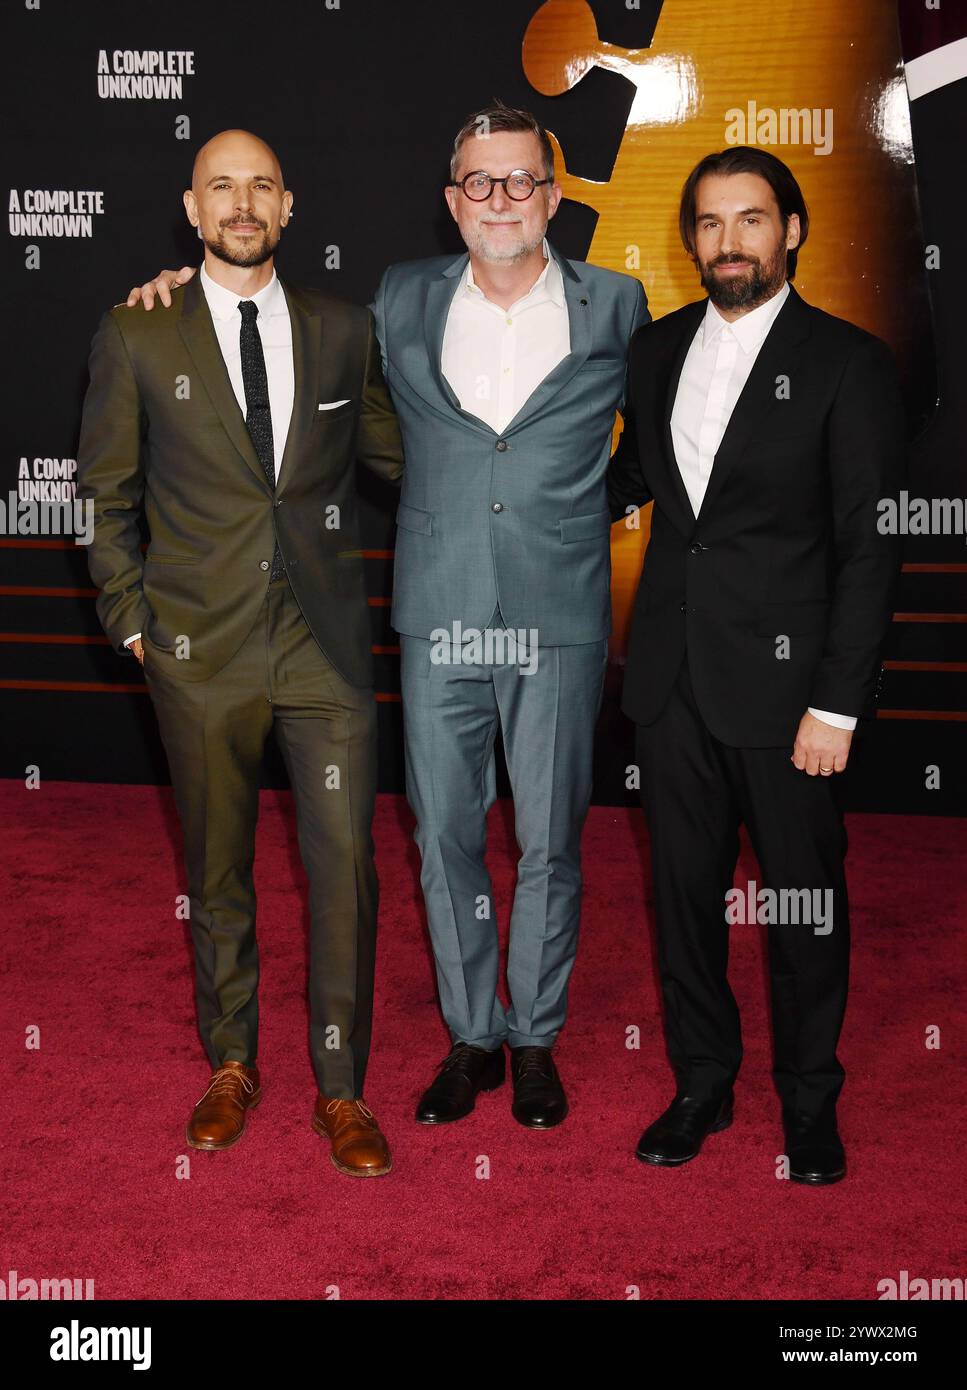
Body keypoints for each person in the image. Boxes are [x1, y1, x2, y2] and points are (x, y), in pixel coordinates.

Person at [125, 101, 650, 1133]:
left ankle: (535, 1035)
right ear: (452, 200)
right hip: (438, 612)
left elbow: (672, 419)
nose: (500, 200)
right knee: (442, 833)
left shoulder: (618, 305)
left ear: (550, 194)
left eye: (520, 181)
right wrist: (182, 292)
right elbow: (297, 369)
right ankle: (471, 1034)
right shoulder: (396, 303)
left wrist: (591, 501)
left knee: (548, 839)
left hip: (558, 612)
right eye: (478, 182)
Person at [77, 129, 404, 1178]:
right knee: (216, 867)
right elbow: (104, 492)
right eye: (222, 186)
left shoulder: (346, 330)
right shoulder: (140, 333)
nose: (242, 202)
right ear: (192, 206)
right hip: (197, 649)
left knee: (345, 864)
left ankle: (341, 1084)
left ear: (289, 204)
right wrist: (131, 618)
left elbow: (410, 456)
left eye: (261, 183)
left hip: (323, 647)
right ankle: (231, 1063)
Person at [608, 146, 905, 1184]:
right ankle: (700, 1081)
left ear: (792, 230)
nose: (726, 241)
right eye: (707, 222)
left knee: (800, 900)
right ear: (688, 237)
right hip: (669, 683)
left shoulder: (847, 364)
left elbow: (869, 547)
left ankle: (811, 1099)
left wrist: (837, 703)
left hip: (790, 698)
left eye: (748, 220)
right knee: (682, 897)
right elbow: (632, 481)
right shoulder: (653, 350)